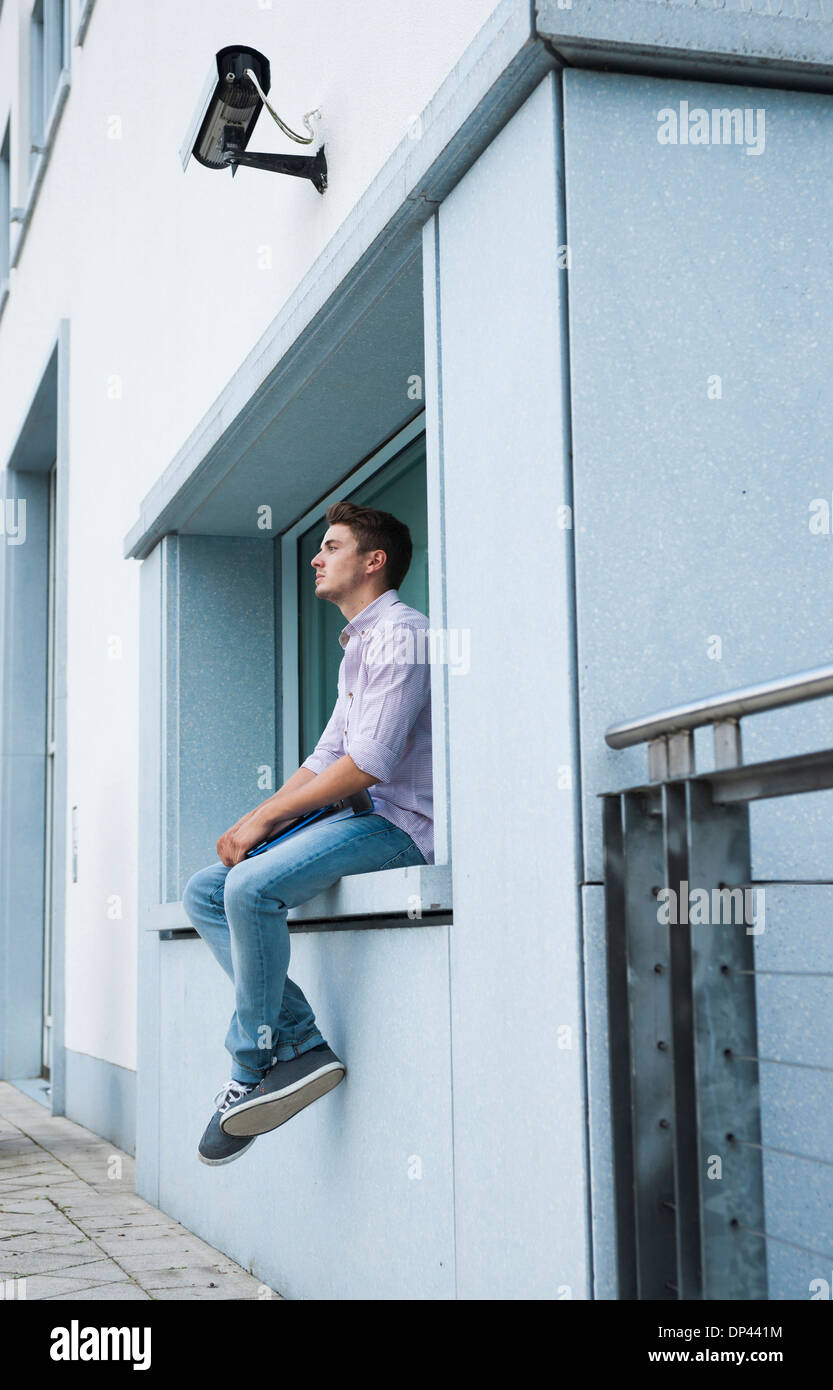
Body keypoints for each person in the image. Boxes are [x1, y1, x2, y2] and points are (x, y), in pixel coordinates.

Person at [183, 500, 434, 1164]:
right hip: (359, 820)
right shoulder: (360, 647)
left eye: (331, 547)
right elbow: (325, 758)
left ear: (373, 561)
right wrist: (251, 817)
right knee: (207, 889)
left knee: (250, 888)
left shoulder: (401, 636)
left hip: (402, 828)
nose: (316, 558)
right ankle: (296, 1041)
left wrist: (266, 823)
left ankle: (250, 1068)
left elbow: (367, 765)